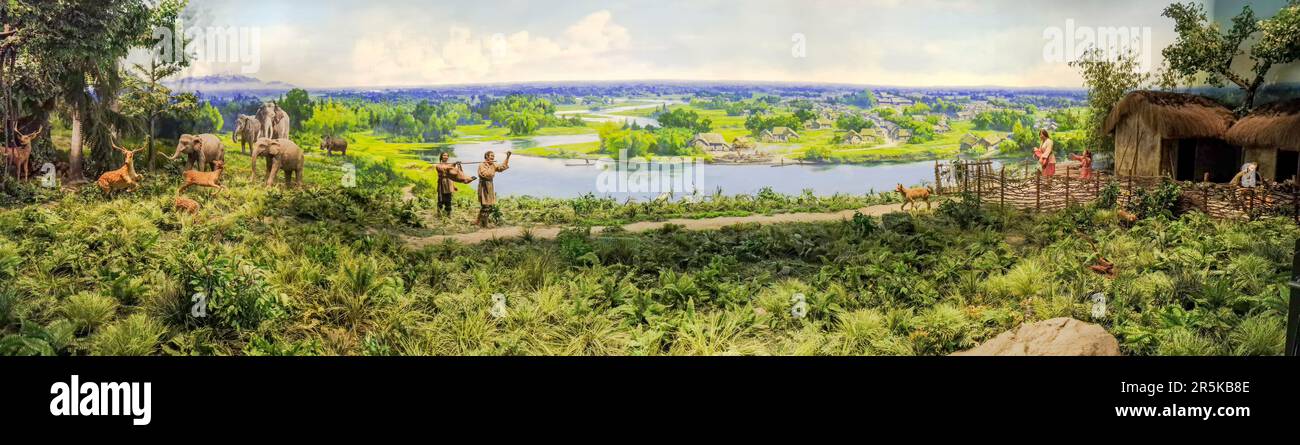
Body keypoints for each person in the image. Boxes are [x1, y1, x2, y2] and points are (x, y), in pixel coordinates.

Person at [433, 152, 476, 218]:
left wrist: (454, 185)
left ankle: (448, 215)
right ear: (441, 157)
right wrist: (453, 164)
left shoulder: (450, 165)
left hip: (449, 182)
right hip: (442, 183)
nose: (446, 157)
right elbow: (445, 169)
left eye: (447, 156)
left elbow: (453, 175)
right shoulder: (438, 165)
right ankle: (439, 214)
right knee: (441, 199)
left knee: (448, 199)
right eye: (444, 155)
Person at [476, 150, 511, 228]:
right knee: (485, 205)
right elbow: (484, 174)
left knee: (489, 205)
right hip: (484, 186)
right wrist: (490, 166)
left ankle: (478, 222)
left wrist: (507, 157)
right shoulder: (482, 165)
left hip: (490, 185)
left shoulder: (493, 165)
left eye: (493, 156)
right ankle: (484, 224)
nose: (493, 157)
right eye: (491, 156)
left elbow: (502, 167)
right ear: (487, 157)